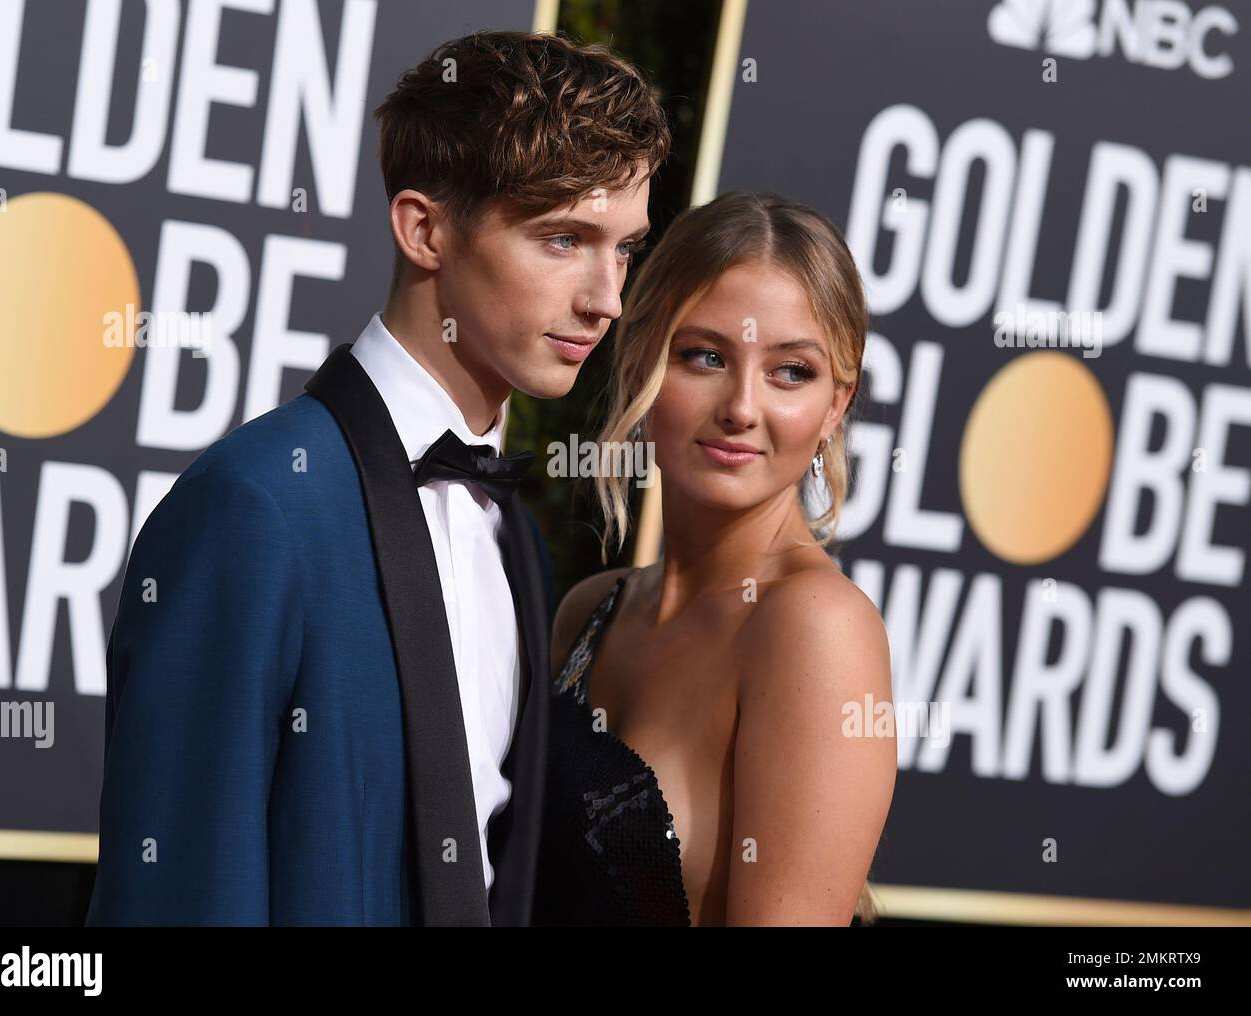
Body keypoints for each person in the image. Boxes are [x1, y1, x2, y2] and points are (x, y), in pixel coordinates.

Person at [86, 30, 670, 926]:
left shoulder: (509, 526)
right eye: (564, 239)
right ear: (425, 228)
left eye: (624, 249)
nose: (607, 298)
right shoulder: (255, 506)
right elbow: (177, 894)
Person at [533, 191, 897, 926]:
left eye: (791, 372)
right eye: (704, 356)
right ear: (641, 360)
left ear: (836, 405)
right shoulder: (590, 610)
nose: (741, 406)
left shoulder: (816, 628)